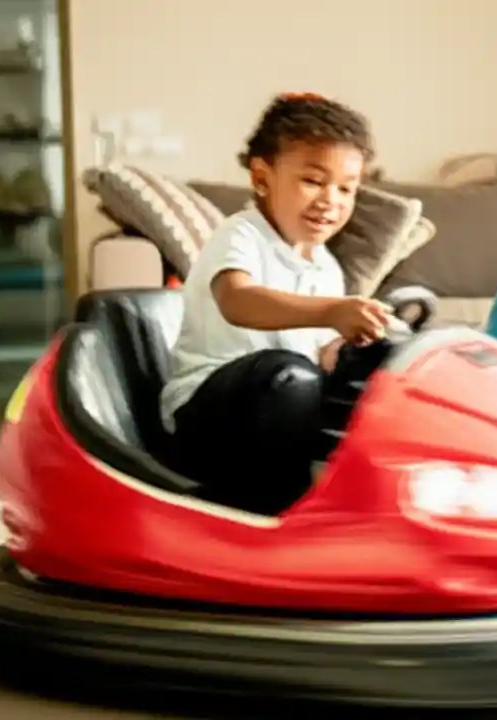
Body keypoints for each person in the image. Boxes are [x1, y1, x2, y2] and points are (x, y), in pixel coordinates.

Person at [159, 92, 390, 512]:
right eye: (313, 181)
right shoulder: (241, 235)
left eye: (346, 188)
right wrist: (331, 311)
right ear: (263, 178)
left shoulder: (325, 267)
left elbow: (320, 352)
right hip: (206, 416)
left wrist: (355, 346)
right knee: (287, 378)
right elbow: (238, 301)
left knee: (349, 386)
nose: (330, 201)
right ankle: (273, 519)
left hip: (279, 410)